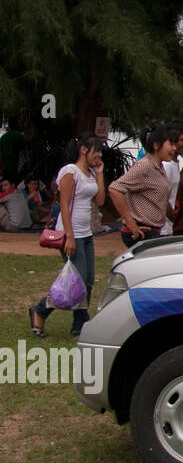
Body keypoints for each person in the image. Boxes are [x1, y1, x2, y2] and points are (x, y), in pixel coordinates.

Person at [29, 132, 106, 337]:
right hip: (70, 233)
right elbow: (64, 204)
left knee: (88, 280)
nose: (99, 154)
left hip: (86, 233)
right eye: (96, 150)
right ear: (83, 150)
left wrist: (99, 174)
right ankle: (40, 310)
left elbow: (99, 201)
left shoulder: (89, 173)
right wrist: (70, 237)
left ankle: (79, 323)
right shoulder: (70, 171)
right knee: (76, 280)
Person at [109, 125, 179, 247]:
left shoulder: (159, 167)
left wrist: (176, 220)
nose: (174, 148)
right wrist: (130, 223)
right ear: (156, 145)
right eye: (171, 144)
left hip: (154, 231)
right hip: (142, 233)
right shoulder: (144, 166)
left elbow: (159, 199)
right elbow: (115, 189)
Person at [159, 122, 183, 237]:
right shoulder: (166, 166)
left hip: (169, 226)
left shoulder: (175, 163)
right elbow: (162, 198)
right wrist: (176, 220)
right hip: (163, 228)